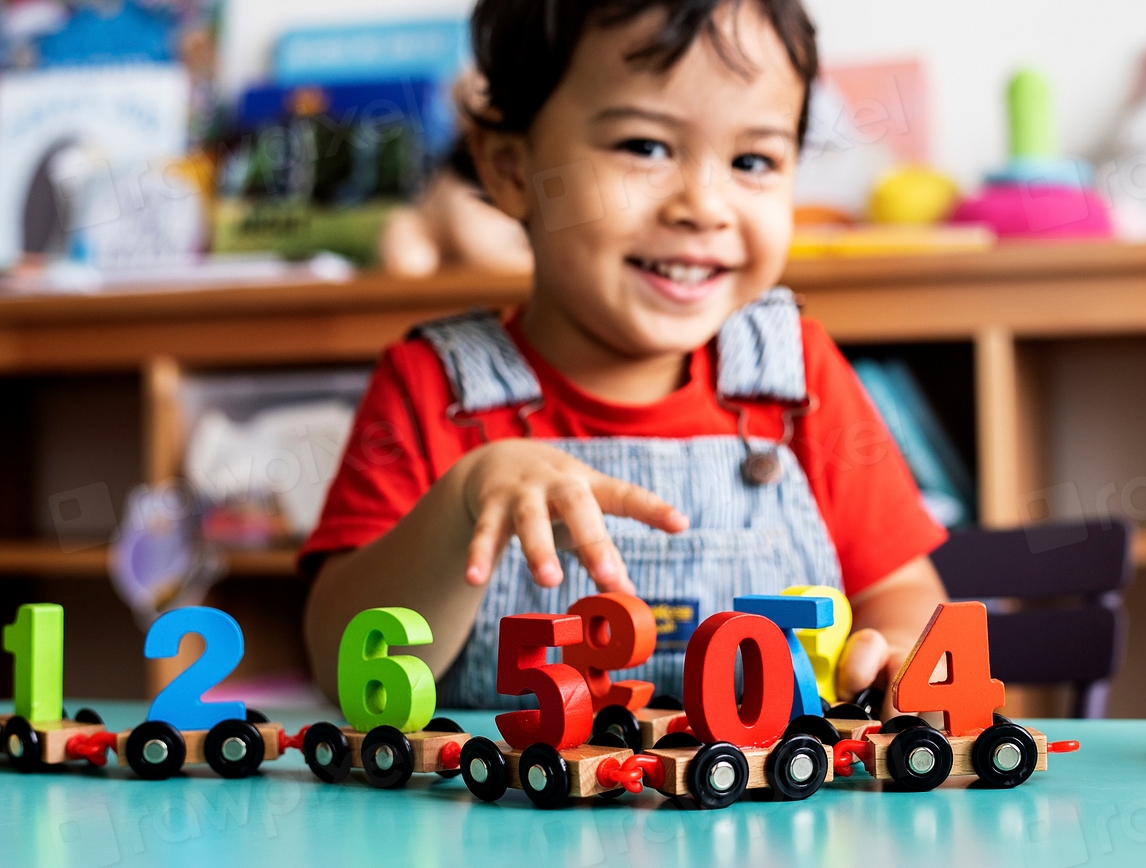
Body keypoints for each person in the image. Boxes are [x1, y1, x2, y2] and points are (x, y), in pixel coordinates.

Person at [301, 0, 949, 713]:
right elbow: (341, 662)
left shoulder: (798, 379)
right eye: (645, 147)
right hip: (495, 817)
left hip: (764, 815)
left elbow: (903, 594)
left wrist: (892, 650)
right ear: (512, 169)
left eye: (753, 160)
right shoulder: (433, 387)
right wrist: (460, 507)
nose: (704, 206)